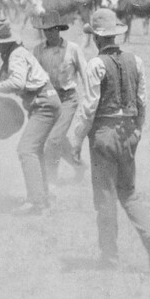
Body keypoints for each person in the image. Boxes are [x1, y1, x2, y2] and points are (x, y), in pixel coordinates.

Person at [67, 8, 150, 270]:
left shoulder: (96, 65)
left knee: (106, 198)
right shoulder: (136, 61)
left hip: (104, 135)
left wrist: (75, 141)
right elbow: (142, 101)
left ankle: (109, 257)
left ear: (97, 38)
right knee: (129, 193)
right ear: (116, 36)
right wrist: (138, 129)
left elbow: (88, 108)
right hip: (130, 132)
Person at [0, 19, 61, 215]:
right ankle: (43, 198)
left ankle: (36, 202)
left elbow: (17, 83)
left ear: (4, 42)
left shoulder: (16, 55)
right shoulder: (15, 52)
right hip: (46, 102)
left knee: (26, 150)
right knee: (35, 151)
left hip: (44, 103)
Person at [32, 11, 91, 185]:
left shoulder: (73, 49)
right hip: (48, 100)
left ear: (59, 30)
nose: (49, 33)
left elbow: (85, 74)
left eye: (52, 29)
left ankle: (51, 180)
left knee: (53, 139)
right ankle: (79, 165)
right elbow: (33, 75)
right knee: (54, 138)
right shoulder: (38, 50)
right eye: (45, 30)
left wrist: (89, 100)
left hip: (67, 99)